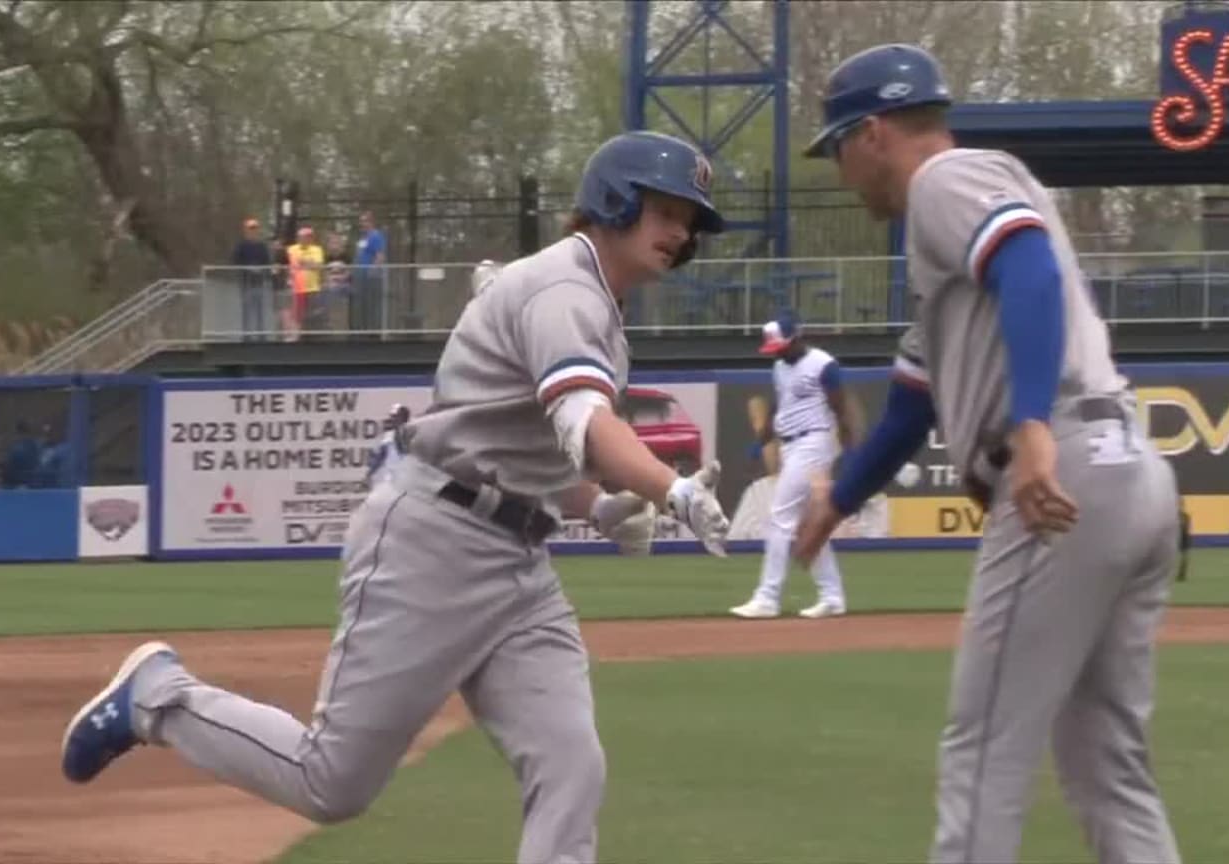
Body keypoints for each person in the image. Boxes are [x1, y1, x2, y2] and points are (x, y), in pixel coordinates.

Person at [59, 130, 734, 864]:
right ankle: (158, 698)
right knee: (330, 783)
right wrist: (671, 490)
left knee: (571, 763)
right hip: (436, 541)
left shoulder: (592, 301)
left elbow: (530, 449)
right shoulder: (564, 291)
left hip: (516, 563)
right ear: (615, 200)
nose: (679, 232)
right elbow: (582, 420)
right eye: (666, 209)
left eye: (690, 221)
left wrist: (598, 507)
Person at [793, 44, 1185, 864]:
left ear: (873, 133)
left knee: (982, 751)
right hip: (1129, 470)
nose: (838, 169)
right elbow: (911, 402)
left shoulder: (942, 180)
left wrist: (1034, 424)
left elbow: (1030, 267)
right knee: (1109, 766)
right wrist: (840, 495)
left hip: (1062, 468)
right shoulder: (948, 258)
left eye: (836, 147)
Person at [730, 311, 853, 619]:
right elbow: (778, 405)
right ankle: (832, 595)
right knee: (805, 526)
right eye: (773, 349)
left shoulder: (823, 365)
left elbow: (842, 410)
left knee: (779, 518)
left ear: (796, 337)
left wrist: (851, 452)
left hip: (814, 442)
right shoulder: (780, 366)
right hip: (790, 444)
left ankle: (768, 596)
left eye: (781, 346)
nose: (778, 353)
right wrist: (761, 441)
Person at [231, 218, 275, 340]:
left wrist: (263, 271)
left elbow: (267, 262)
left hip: (259, 282)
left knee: (260, 310)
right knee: (247, 310)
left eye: (255, 229)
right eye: (251, 229)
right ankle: (246, 335)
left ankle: (261, 335)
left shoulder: (262, 246)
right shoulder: (241, 245)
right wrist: (247, 268)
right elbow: (235, 261)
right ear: (246, 230)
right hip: (246, 283)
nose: (253, 231)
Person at [285, 226, 325, 341]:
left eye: (308, 237)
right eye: (303, 237)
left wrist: (305, 262)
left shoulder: (317, 249)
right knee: (298, 314)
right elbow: (291, 264)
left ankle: (313, 337)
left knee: (313, 314)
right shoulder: (292, 249)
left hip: (313, 287)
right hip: (298, 287)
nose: (306, 239)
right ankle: (297, 336)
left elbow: (318, 266)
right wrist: (309, 263)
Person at [364, 403, 410, 490]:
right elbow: (379, 458)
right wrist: (369, 474)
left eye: (395, 416)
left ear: (403, 417)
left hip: (407, 479)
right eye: (391, 416)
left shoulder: (412, 434)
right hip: (391, 480)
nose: (392, 419)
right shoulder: (387, 437)